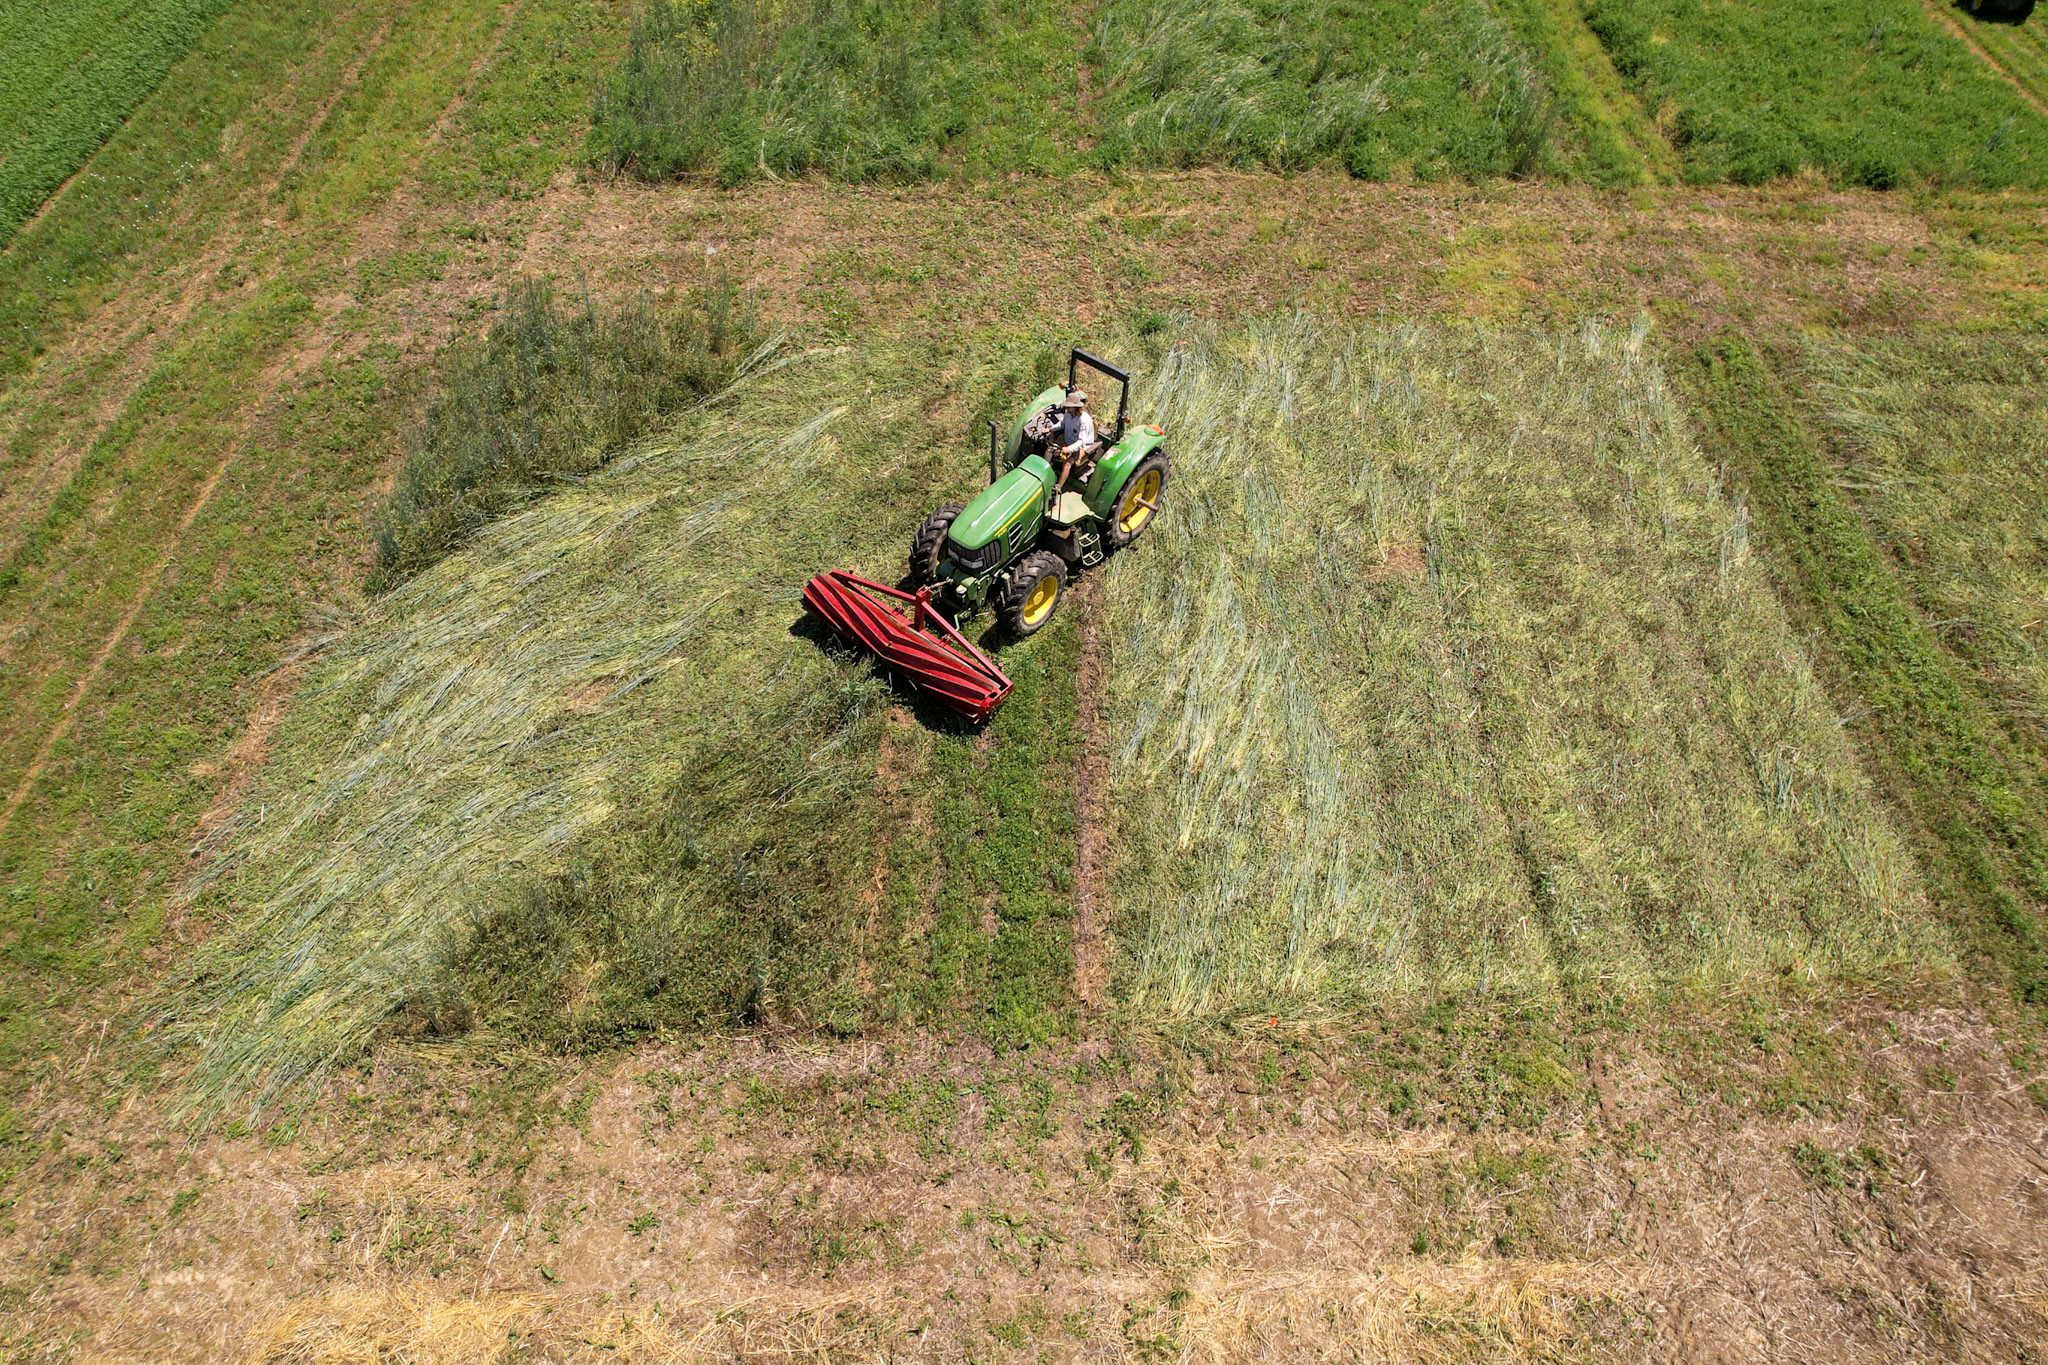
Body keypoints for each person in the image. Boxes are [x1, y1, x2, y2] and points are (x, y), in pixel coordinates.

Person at [1056, 389, 1098, 486]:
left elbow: (1081, 442)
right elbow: (1061, 424)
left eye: (1069, 406)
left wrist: (1068, 449)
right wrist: (1050, 429)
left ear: (1075, 407)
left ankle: (1058, 488)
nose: (1066, 408)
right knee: (1050, 449)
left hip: (1081, 447)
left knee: (1067, 464)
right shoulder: (1068, 413)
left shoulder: (1084, 420)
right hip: (1068, 440)